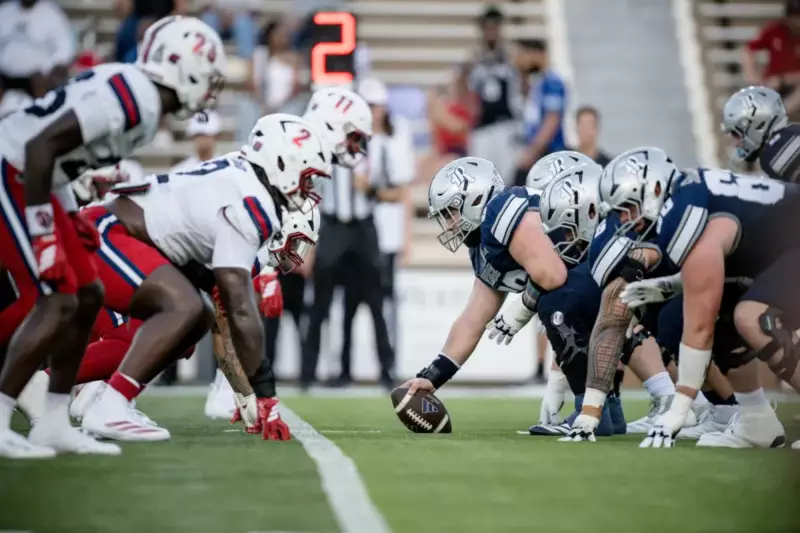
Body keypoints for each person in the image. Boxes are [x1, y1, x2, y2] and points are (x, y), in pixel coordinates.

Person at [0, 15, 227, 459]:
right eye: (208, 72)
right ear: (184, 65)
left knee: (88, 291)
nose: (211, 88)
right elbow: (39, 148)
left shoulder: (145, 108)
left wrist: (68, 214)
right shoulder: (136, 96)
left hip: (34, 175)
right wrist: (48, 230)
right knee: (58, 297)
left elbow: (59, 160)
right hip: (11, 168)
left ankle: (52, 421)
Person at [75, 113, 330, 443]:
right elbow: (235, 318)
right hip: (106, 234)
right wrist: (262, 395)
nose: (295, 252)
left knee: (188, 319)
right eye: (295, 240)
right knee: (180, 313)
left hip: (119, 237)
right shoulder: (252, 210)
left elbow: (221, 323)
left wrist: (244, 394)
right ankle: (105, 401)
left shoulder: (244, 186)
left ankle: (82, 393)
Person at [401, 157, 577, 401]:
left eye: (451, 212)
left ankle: (590, 408)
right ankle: (603, 409)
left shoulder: (503, 213)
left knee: (554, 307)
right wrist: (433, 375)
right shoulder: (484, 245)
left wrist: (525, 305)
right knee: (555, 307)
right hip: (588, 289)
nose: (449, 225)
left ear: (475, 198)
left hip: (602, 276)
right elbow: (472, 320)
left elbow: (553, 276)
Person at [301, 85, 396, 390]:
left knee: (375, 302)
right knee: (321, 303)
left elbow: (391, 191)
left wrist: (369, 188)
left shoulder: (379, 146)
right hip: (332, 225)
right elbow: (310, 192)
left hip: (363, 227)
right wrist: (308, 242)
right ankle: (308, 373)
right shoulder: (327, 144)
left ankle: (386, 371)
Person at [333, 78, 416, 386]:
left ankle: (388, 366)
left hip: (386, 234)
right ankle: (344, 368)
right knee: (350, 305)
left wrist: (406, 240)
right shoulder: (349, 143)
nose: (373, 111)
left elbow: (403, 192)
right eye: (368, 105)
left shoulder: (394, 141)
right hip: (355, 234)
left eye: (377, 105)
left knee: (385, 306)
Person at [468, 6, 520, 182]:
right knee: (481, 177)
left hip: (505, 124)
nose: (490, 33)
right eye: (487, 28)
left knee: (507, 177)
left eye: (494, 28)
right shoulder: (474, 58)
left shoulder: (511, 56)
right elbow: (466, 90)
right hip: (482, 126)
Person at [513, 39, 567, 186]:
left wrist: (533, 150)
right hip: (536, 150)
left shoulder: (553, 82)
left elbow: (552, 119)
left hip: (548, 151)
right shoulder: (538, 82)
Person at [721, 86, 800, 182]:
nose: (736, 144)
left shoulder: (772, 152)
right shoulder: (792, 130)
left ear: (757, 124)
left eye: (736, 134)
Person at [742, 0, 800, 118]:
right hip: (771, 83)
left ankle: (778, 114)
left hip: (794, 84)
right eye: (794, 17)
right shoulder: (775, 29)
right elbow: (749, 50)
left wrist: (783, 80)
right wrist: (752, 75)